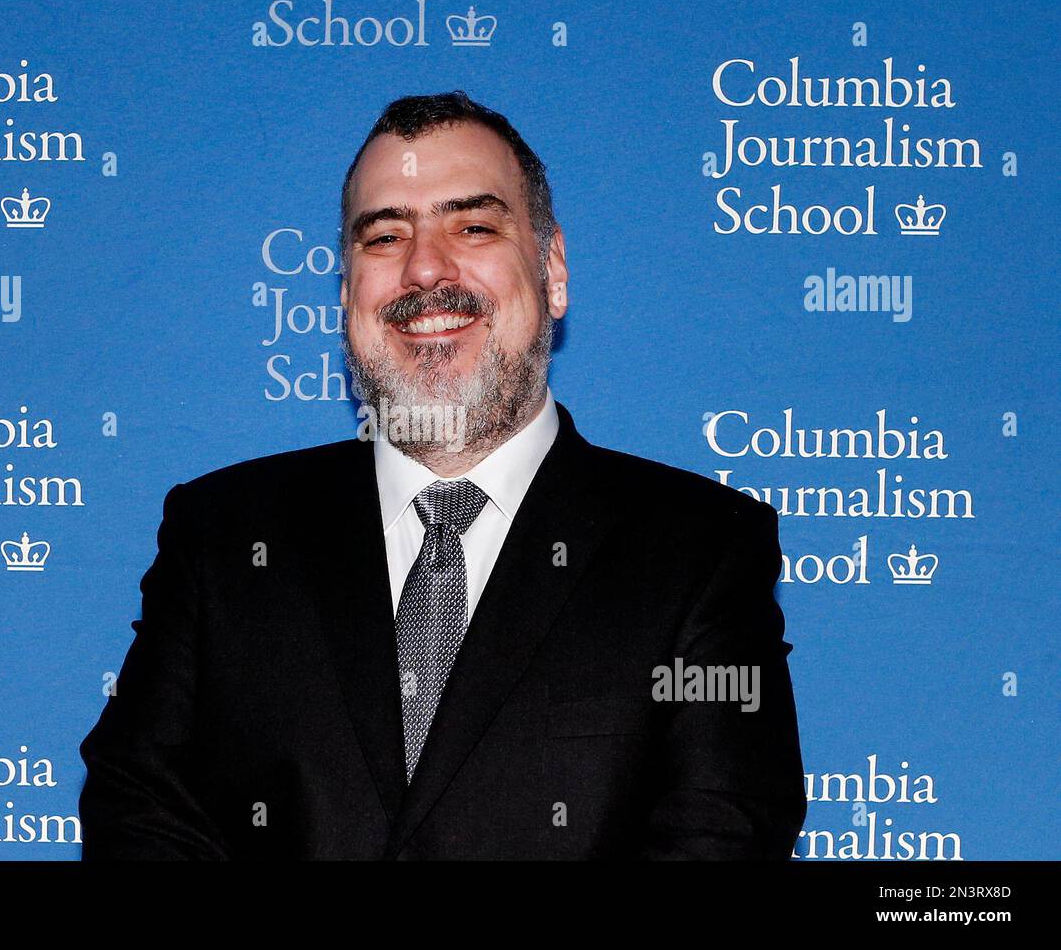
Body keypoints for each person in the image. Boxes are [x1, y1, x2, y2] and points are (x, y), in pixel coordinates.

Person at [79, 90, 807, 859]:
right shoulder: (221, 536)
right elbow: (140, 812)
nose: (426, 268)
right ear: (345, 293)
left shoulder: (699, 549)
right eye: (385, 236)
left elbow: (721, 835)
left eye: (474, 225)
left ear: (553, 269)